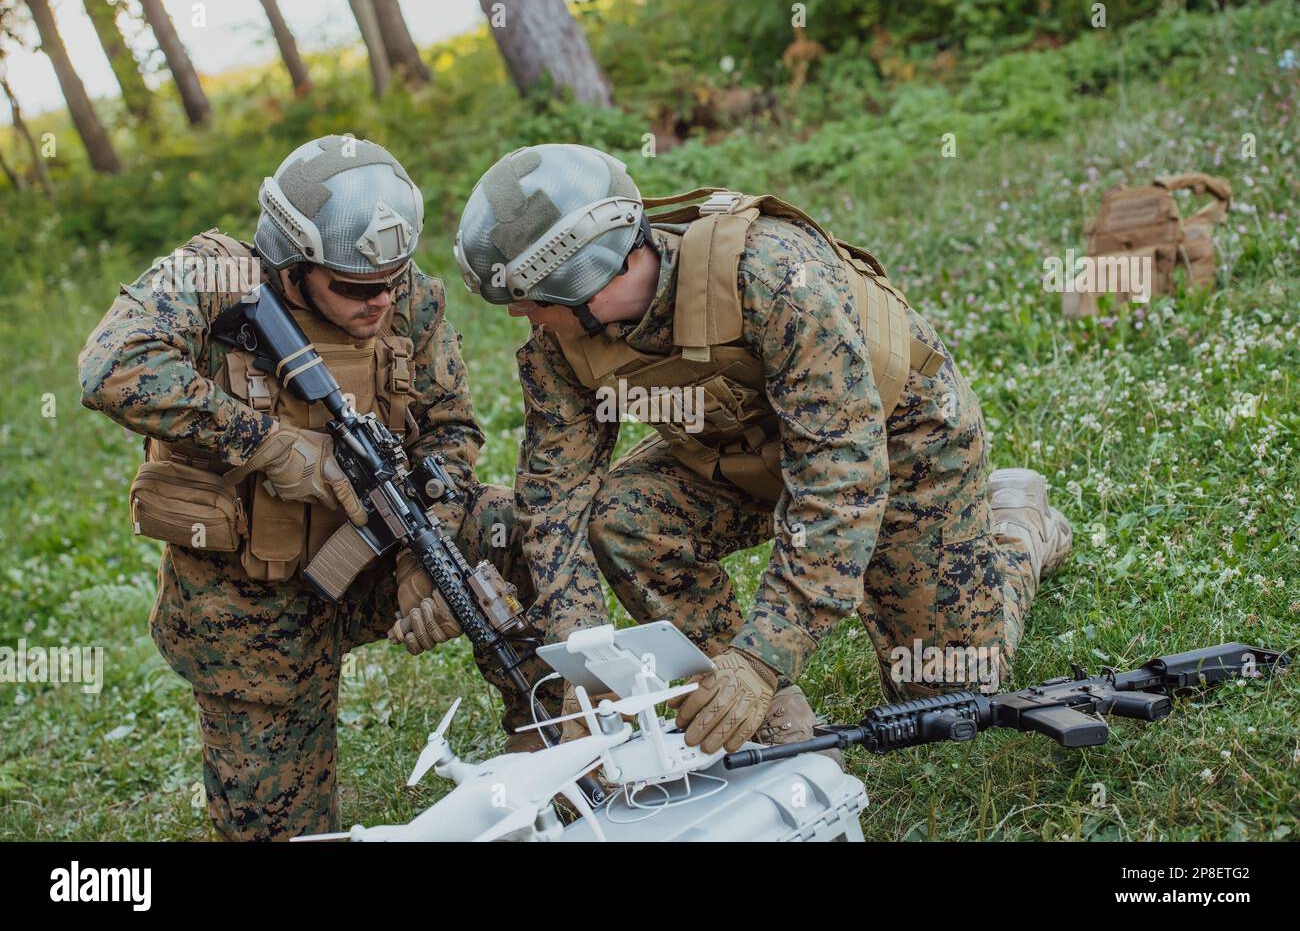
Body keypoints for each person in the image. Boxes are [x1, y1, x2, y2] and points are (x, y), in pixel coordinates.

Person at [453, 143, 1073, 756]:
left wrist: (764, 656)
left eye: (527, 302)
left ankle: (1018, 528)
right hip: (745, 452)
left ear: (583, 281)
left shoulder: (773, 277)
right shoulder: (557, 344)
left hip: (898, 441)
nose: (520, 317)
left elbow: (840, 481)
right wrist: (587, 665)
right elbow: (555, 500)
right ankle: (754, 711)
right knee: (624, 518)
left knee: (943, 693)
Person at [78, 135, 546, 839]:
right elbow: (110, 367)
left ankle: (549, 736)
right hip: (250, 610)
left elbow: (450, 428)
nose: (381, 301)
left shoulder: (402, 295)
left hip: (376, 560)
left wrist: (426, 551)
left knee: (513, 528)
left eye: (392, 280)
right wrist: (266, 444)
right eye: (356, 288)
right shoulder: (213, 278)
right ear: (292, 265)